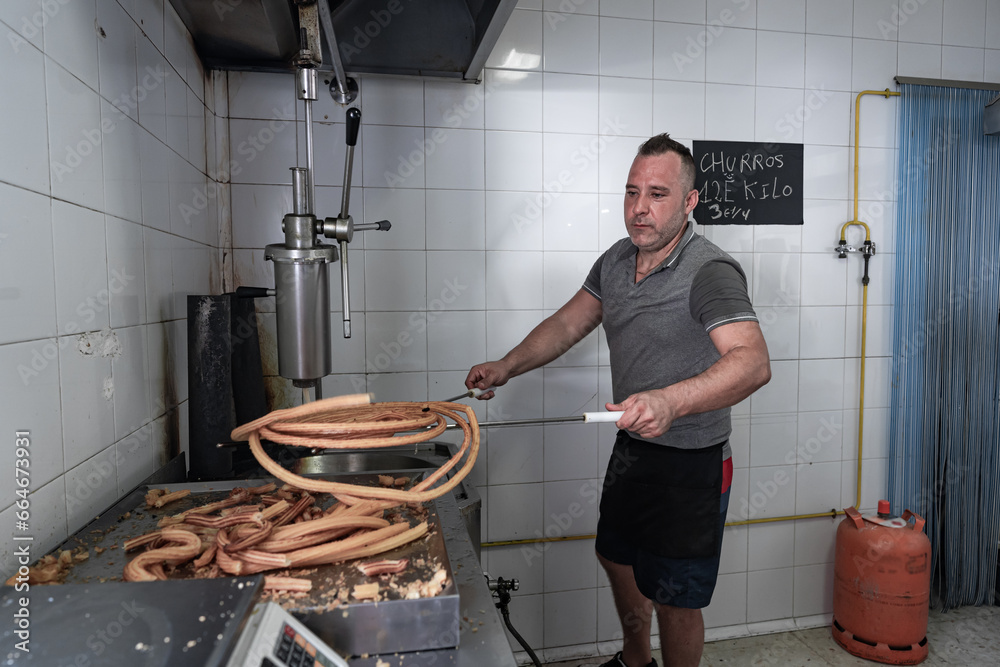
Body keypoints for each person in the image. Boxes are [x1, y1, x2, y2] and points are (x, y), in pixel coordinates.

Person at [465, 134, 771, 667]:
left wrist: (672, 402)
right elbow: (568, 322)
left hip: (693, 461)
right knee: (615, 555)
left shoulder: (710, 271)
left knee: (676, 598)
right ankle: (636, 659)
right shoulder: (617, 259)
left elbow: (752, 361)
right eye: (632, 193)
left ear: (690, 202)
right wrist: (507, 365)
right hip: (635, 446)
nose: (639, 209)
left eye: (657, 194)